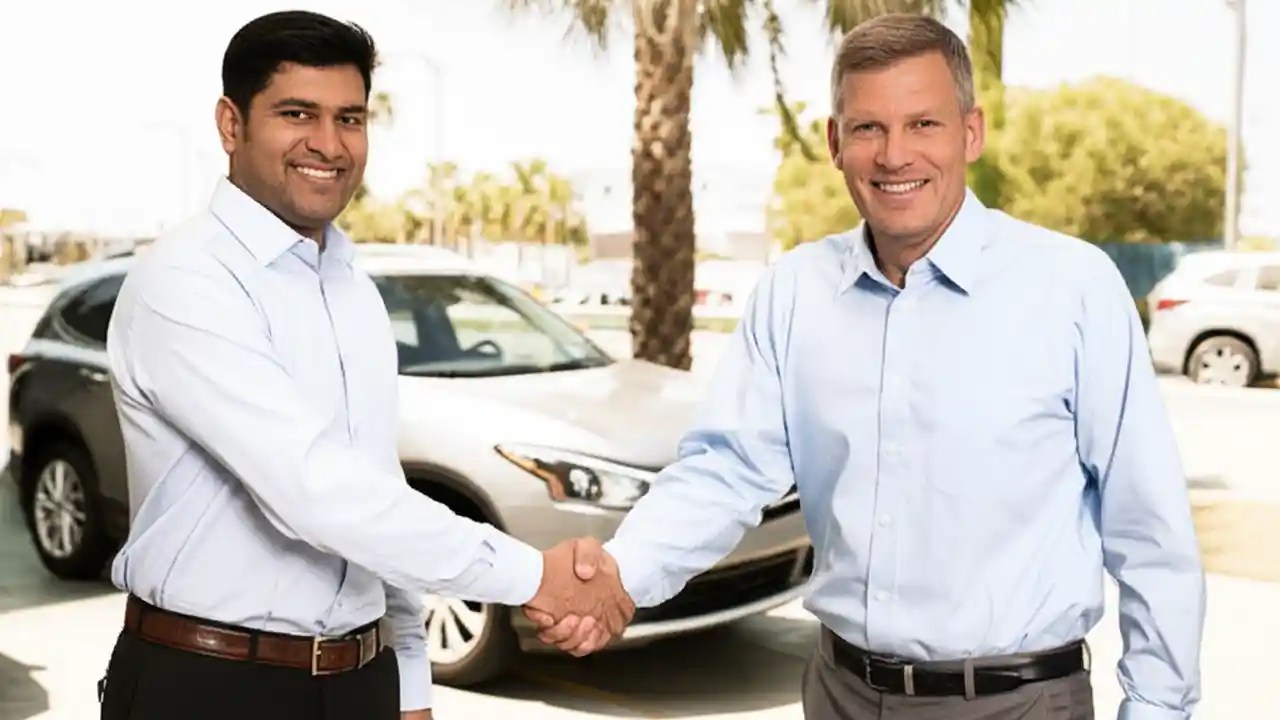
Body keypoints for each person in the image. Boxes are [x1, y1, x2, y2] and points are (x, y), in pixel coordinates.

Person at [532, 13, 1205, 720]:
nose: (894, 155)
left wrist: (1157, 708)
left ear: (970, 133)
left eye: (924, 124)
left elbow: (1149, 528)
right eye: (868, 128)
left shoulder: (1072, 288)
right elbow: (725, 472)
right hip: (839, 695)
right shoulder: (794, 292)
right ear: (835, 142)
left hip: (1017, 704)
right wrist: (620, 574)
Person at [97, 10, 631, 720]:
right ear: (232, 125)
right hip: (211, 684)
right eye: (297, 113)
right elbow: (316, 490)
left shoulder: (351, 287)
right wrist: (538, 577)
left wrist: (408, 681)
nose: (328, 143)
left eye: (350, 118)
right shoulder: (185, 281)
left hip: (359, 683)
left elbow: (375, 492)